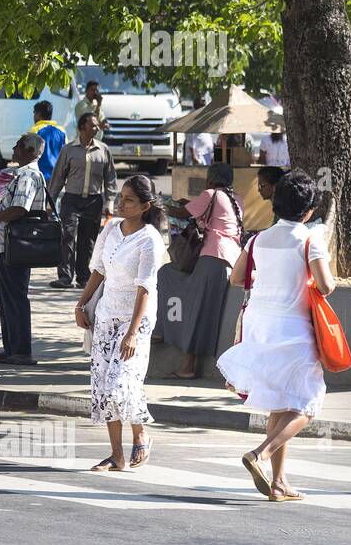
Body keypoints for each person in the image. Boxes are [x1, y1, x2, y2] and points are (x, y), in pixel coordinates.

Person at [218, 171, 336, 501]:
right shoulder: (311, 240)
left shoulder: (258, 239)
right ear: (309, 210)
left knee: (280, 403)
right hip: (294, 329)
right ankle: (261, 454)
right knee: (307, 403)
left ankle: (279, 483)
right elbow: (326, 286)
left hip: (260, 326)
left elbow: (237, 279)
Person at [76, 175, 167, 471]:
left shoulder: (150, 238)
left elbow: (145, 287)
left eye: (129, 199)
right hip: (105, 316)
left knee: (122, 384)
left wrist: (131, 334)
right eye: (120, 197)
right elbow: (98, 270)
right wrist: (81, 304)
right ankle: (117, 455)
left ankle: (140, 434)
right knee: (103, 386)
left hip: (135, 322)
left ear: (145, 206)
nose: (121, 203)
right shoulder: (110, 229)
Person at [155, 163, 244, 379]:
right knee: (203, 310)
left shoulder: (210, 194)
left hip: (212, 257)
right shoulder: (236, 198)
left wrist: (162, 205)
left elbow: (181, 212)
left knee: (189, 300)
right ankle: (168, 338)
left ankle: (184, 361)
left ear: (210, 180)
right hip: (231, 259)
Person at [0, 133, 47, 365]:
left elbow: (19, 210)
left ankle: (21, 350)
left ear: (29, 151)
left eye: (18, 146)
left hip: (15, 245)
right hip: (8, 244)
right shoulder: (23, 174)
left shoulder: (27, 175)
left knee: (14, 298)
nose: (14, 150)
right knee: (6, 297)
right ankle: (11, 348)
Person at [48, 113, 117, 289]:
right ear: (82, 127)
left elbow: (110, 179)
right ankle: (64, 276)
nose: (97, 128)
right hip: (71, 199)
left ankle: (84, 277)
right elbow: (58, 178)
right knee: (67, 236)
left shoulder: (103, 150)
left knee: (88, 240)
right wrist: (50, 202)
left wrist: (109, 203)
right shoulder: (68, 150)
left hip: (93, 201)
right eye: (93, 125)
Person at [30, 100, 65, 182]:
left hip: (39, 176)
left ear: (38, 114)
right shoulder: (62, 131)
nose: (34, 116)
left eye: (34, 113)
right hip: (57, 177)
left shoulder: (35, 130)